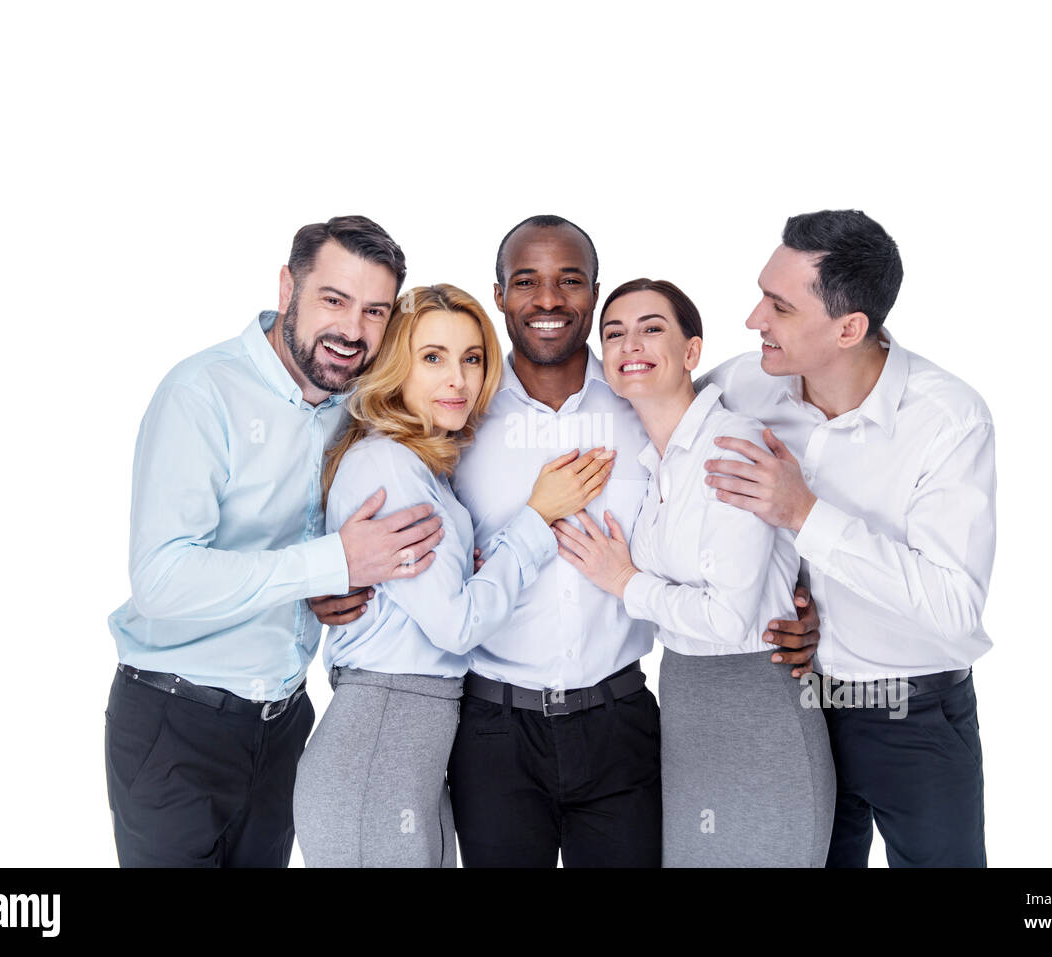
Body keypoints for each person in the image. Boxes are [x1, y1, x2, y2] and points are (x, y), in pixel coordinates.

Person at [434, 215, 822, 867]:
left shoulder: (642, 397)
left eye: (571, 281)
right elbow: (390, 490)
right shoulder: (457, 409)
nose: (549, 300)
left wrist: (792, 595)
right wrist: (341, 581)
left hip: (620, 721)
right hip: (493, 728)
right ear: (498, 294)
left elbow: (729, 502)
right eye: (526, 281)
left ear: (593, 292)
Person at [105, 216, 444, 868]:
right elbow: (161, 579)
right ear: (288, 287)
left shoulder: (354, 402)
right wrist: (330, 564)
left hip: (286, 726)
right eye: (334, 300)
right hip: (177, 723)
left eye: (374, 311)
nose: (351, 329)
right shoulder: (202, 393)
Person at [698, 209, 995, 867]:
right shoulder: (741, 387)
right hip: (793, 707)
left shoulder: (948, 418)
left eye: (778, 306)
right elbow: (656, 449)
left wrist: (805, 513)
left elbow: (954, 606)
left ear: (850, 328)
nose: (753, 320)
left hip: (911, 712)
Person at [292, 284, 615, 867]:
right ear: (396, 365)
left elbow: (440, 604)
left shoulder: (423, 466)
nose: (458, 380)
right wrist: (538, 517)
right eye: (433, 357)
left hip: (410, 754)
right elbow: (458, 626)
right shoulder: (386, 463)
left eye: (472, 358)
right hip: (377, 754)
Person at [552, 278, 836, 866]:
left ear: (691, 353)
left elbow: (730, 619)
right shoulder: (655, 460)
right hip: (687, 706)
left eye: (651, 328)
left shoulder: (730, 448)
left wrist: (625, 582)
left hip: (756, 706)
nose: (631, 343)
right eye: (614, 333)